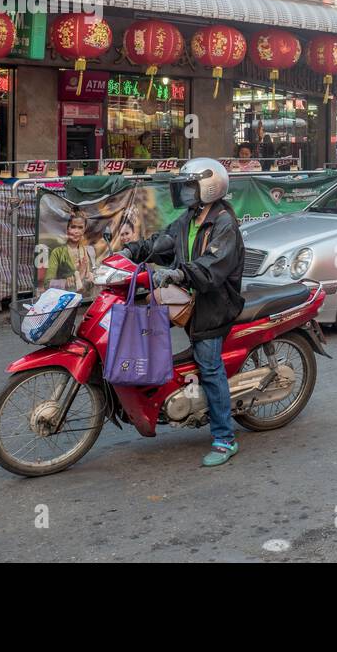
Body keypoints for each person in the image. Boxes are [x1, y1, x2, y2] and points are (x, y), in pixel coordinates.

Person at [120, 159, 245, 467]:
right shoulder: (190, 217)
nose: (185, 194)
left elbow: (212, 268)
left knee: (208, 365)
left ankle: (224, 438)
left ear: (208, 187)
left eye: (190, 187)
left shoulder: (224, 223)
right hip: (189, 297)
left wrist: (180, 274)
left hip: (215, 304)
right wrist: (131, 252)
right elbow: (163, 242)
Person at [45, 213, 99, 295]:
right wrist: (66, 283)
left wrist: (92, 277)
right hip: (65, 300)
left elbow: (93, 279)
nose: (76, 231)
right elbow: (47, 284)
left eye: (80, 227)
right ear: (67, 229)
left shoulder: (89, 251)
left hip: (86, 300)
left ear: (84, 230)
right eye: (73, 227)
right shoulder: (58, 252)